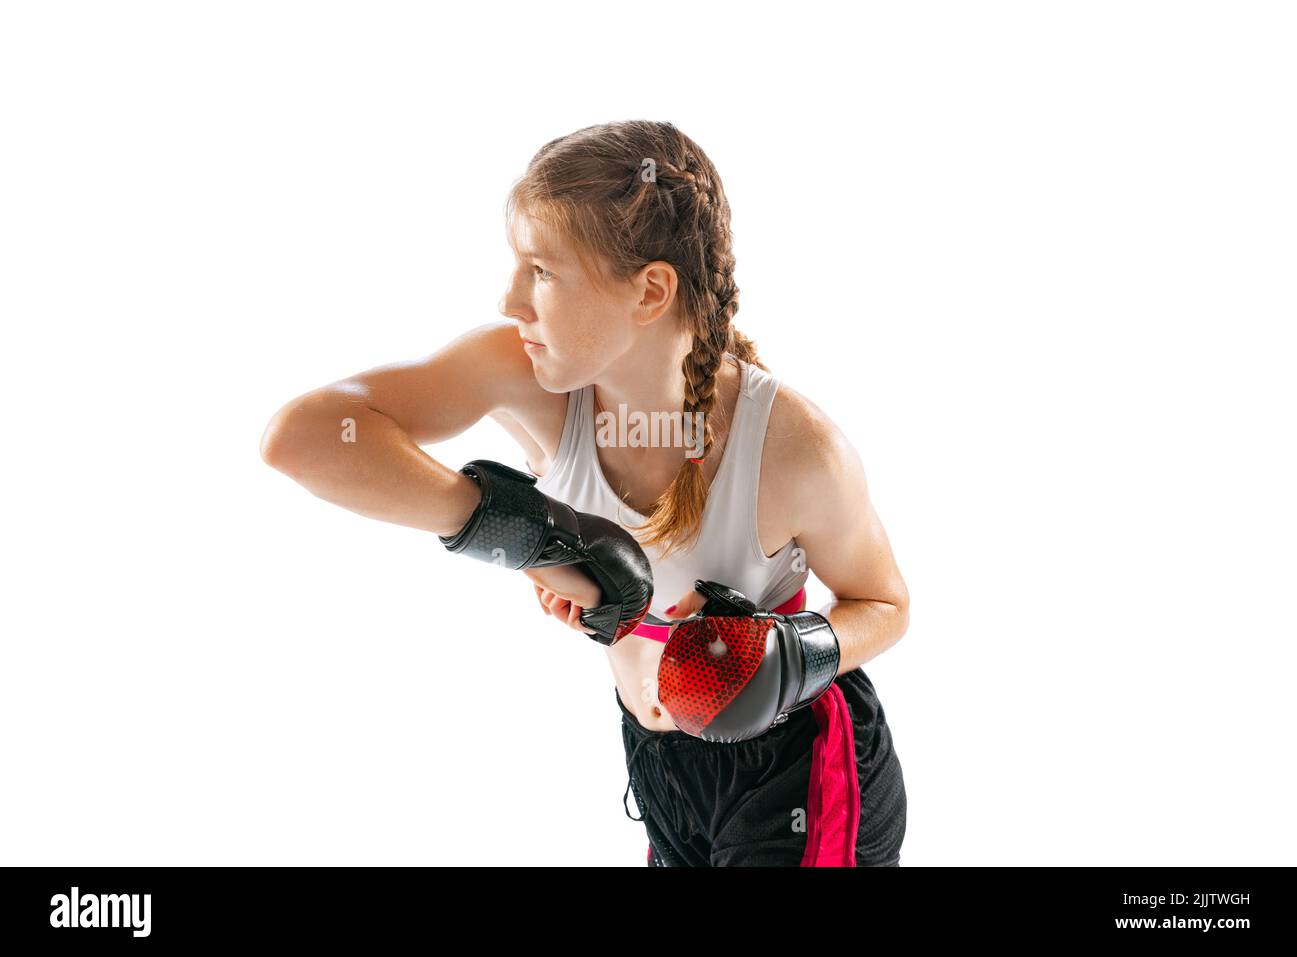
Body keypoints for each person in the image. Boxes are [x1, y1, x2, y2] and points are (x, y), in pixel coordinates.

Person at [261, 120, 909, 866]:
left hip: (796, 767)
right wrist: (530, 537)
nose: (511, 300)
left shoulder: (794, 448)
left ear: (650, 291)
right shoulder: (533, 381)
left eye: (541, 270)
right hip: (661, 768)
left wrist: (790, 654)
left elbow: (888, 603)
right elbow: (302, 437)